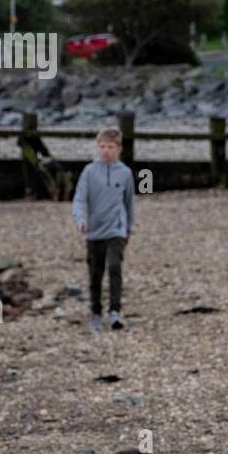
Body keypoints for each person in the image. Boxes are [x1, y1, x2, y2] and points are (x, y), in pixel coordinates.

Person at [72, 127, 135, 331]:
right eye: (102, 147)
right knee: (95, 273)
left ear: (118, 148)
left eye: (110, 147)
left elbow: (128, 203)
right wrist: (80, 219)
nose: (106, 151)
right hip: (94, 229)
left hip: (116, 229)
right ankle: (96, 312)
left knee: (115, 267)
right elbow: (80, 199)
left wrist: (128, 228)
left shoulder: (125, 173)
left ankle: (115, 311)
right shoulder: (89, 172)